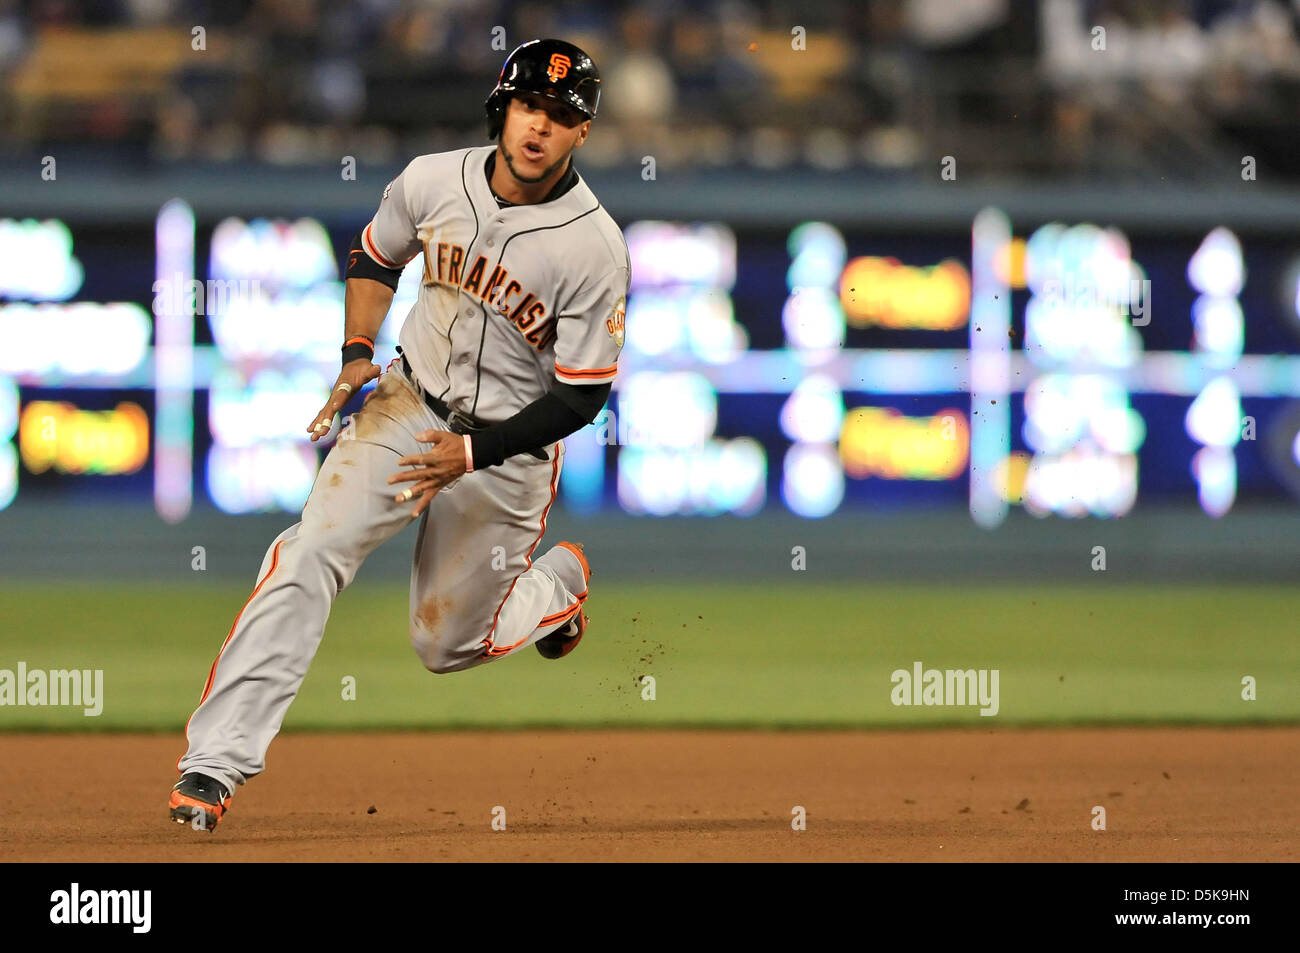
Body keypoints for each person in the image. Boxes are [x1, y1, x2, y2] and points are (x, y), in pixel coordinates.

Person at [169, 39, 629, 831]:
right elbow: (376, 256)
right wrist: (356, 353)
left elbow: (583, 398)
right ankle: (215, 763)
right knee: (312, 547)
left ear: (581, 133)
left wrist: (474, 453)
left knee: (443, 644)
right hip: (409, 404)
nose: (538, 127)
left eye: (560, 116)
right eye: (528, 106)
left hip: (506, 451)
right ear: (502, 106)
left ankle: (556, 589)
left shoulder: (595, 247)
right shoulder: (432, 178)